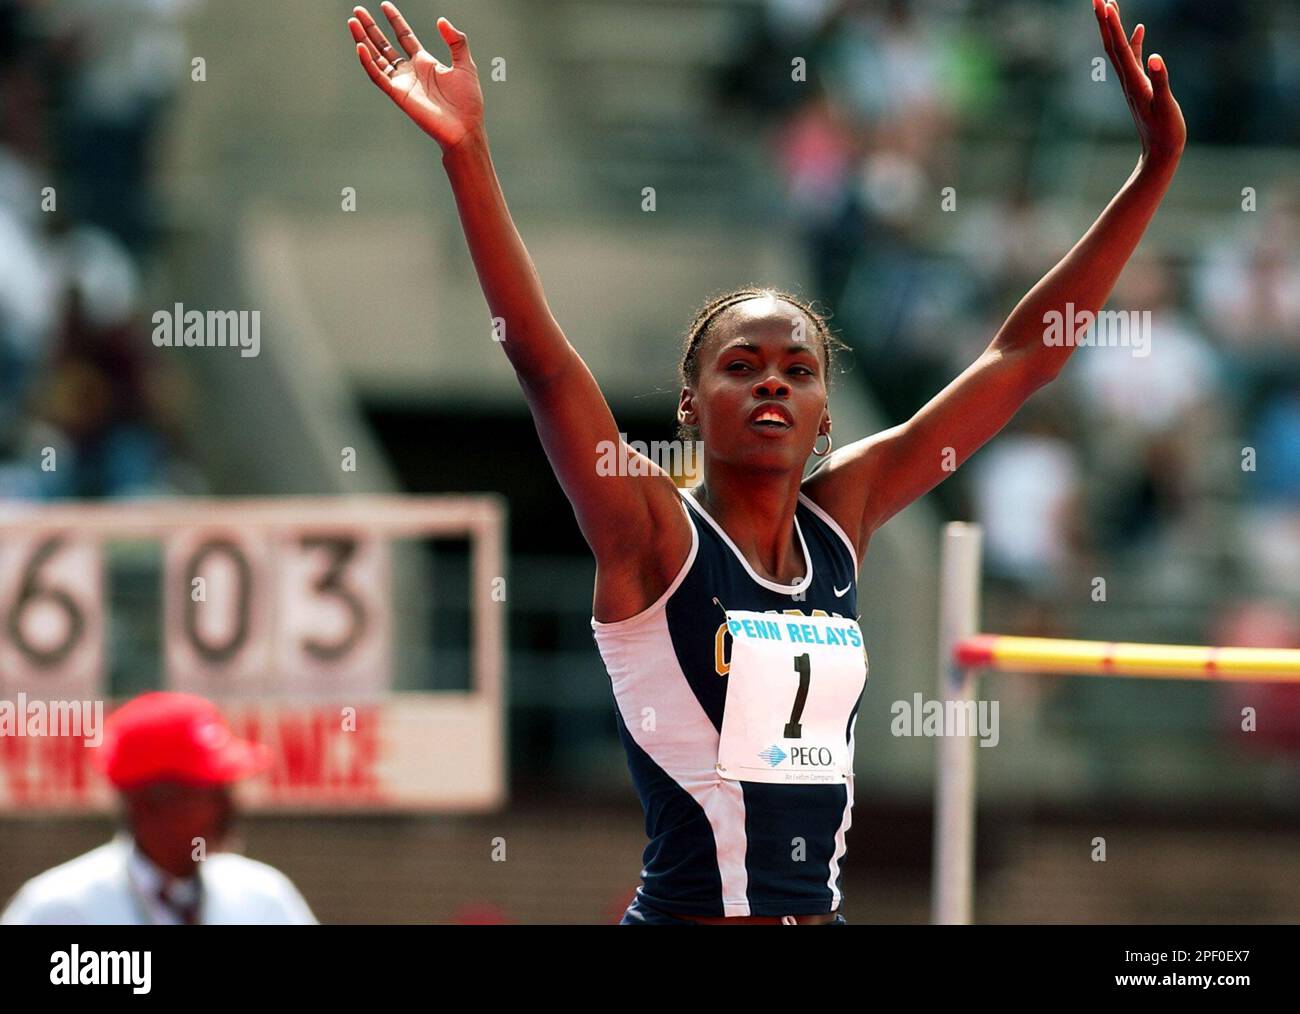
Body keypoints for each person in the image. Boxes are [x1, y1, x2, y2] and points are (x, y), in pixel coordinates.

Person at [346, 0, 1184, 923]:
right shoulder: (653, 533)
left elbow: (1023, 359)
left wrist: (1151, 172)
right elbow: (542, 362)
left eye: (798, 370)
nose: (771, 386)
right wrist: (466, 151)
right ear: (690, 408)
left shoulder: (844, 517)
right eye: (740, 369)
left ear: (826, 416)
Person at [1, 692, 317, 925]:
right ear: (149, 804)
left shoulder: (265, 900)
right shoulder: (59, 909)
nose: (229, 808)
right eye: (210, 793)